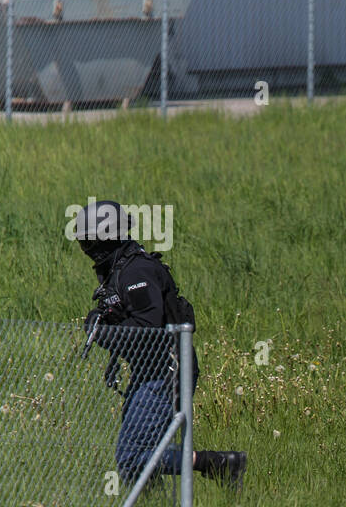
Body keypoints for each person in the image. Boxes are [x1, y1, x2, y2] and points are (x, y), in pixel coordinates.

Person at [75, 199, 247, 490]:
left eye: (89, 240)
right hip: (150, 371)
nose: (86, 246)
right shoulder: (120, 269)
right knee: (133, 460)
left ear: (105, 237)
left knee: (132, 457)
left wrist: (102, 332)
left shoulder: (136, 273)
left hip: (167, 372)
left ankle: (219, 463)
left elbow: (148, 328)